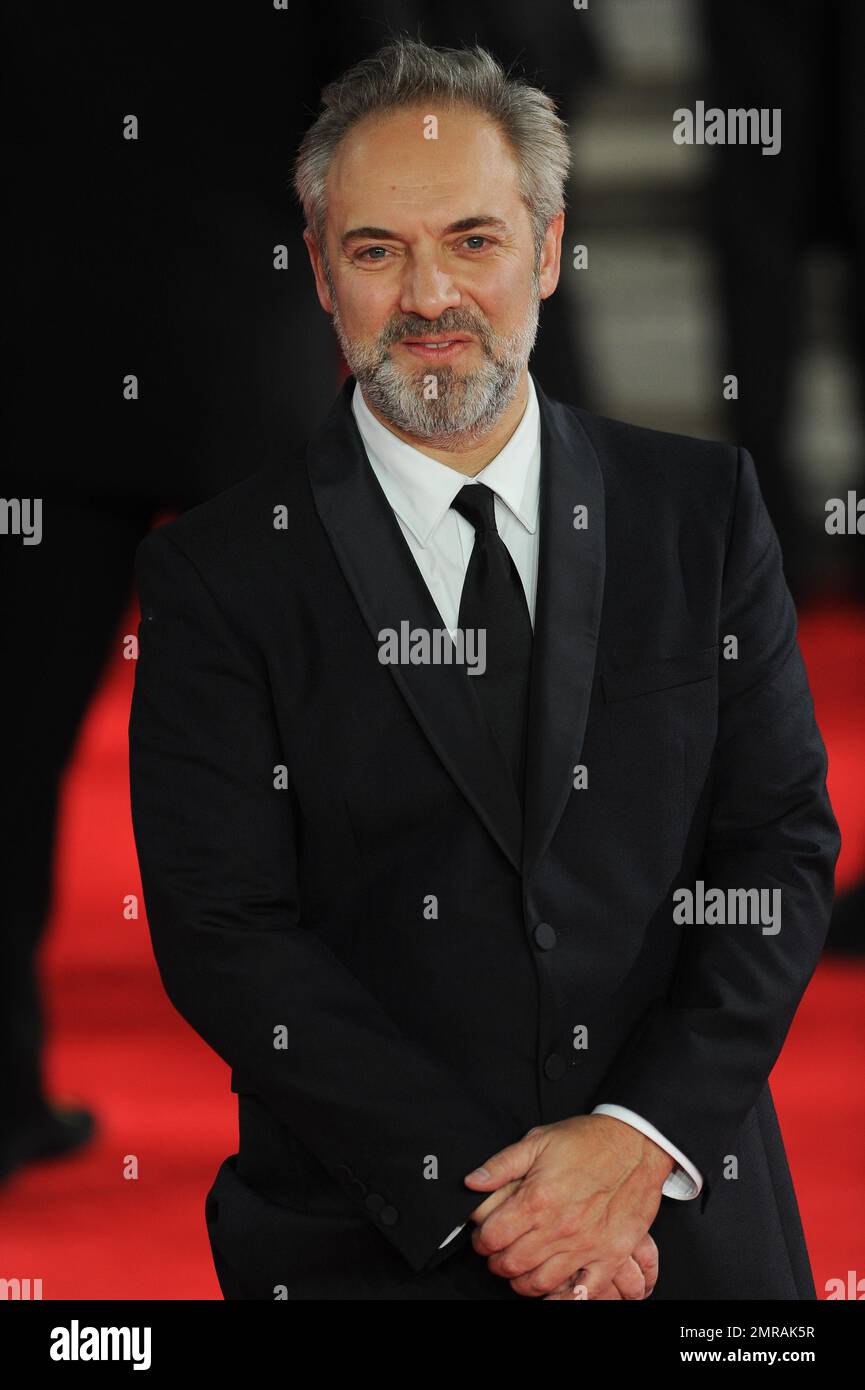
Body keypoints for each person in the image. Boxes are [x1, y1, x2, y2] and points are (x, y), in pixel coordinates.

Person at [128, 37, 840, 1300]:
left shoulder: (702, 510)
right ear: (319, 274)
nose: (429, 298)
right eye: (375, 250)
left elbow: (775, 847)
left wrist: (635, 1143)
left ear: (550, 249)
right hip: (371, 1238)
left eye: (472, 240)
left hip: (684, 1224)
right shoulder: (224, 574)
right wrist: (497, 1201)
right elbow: (224, 931)